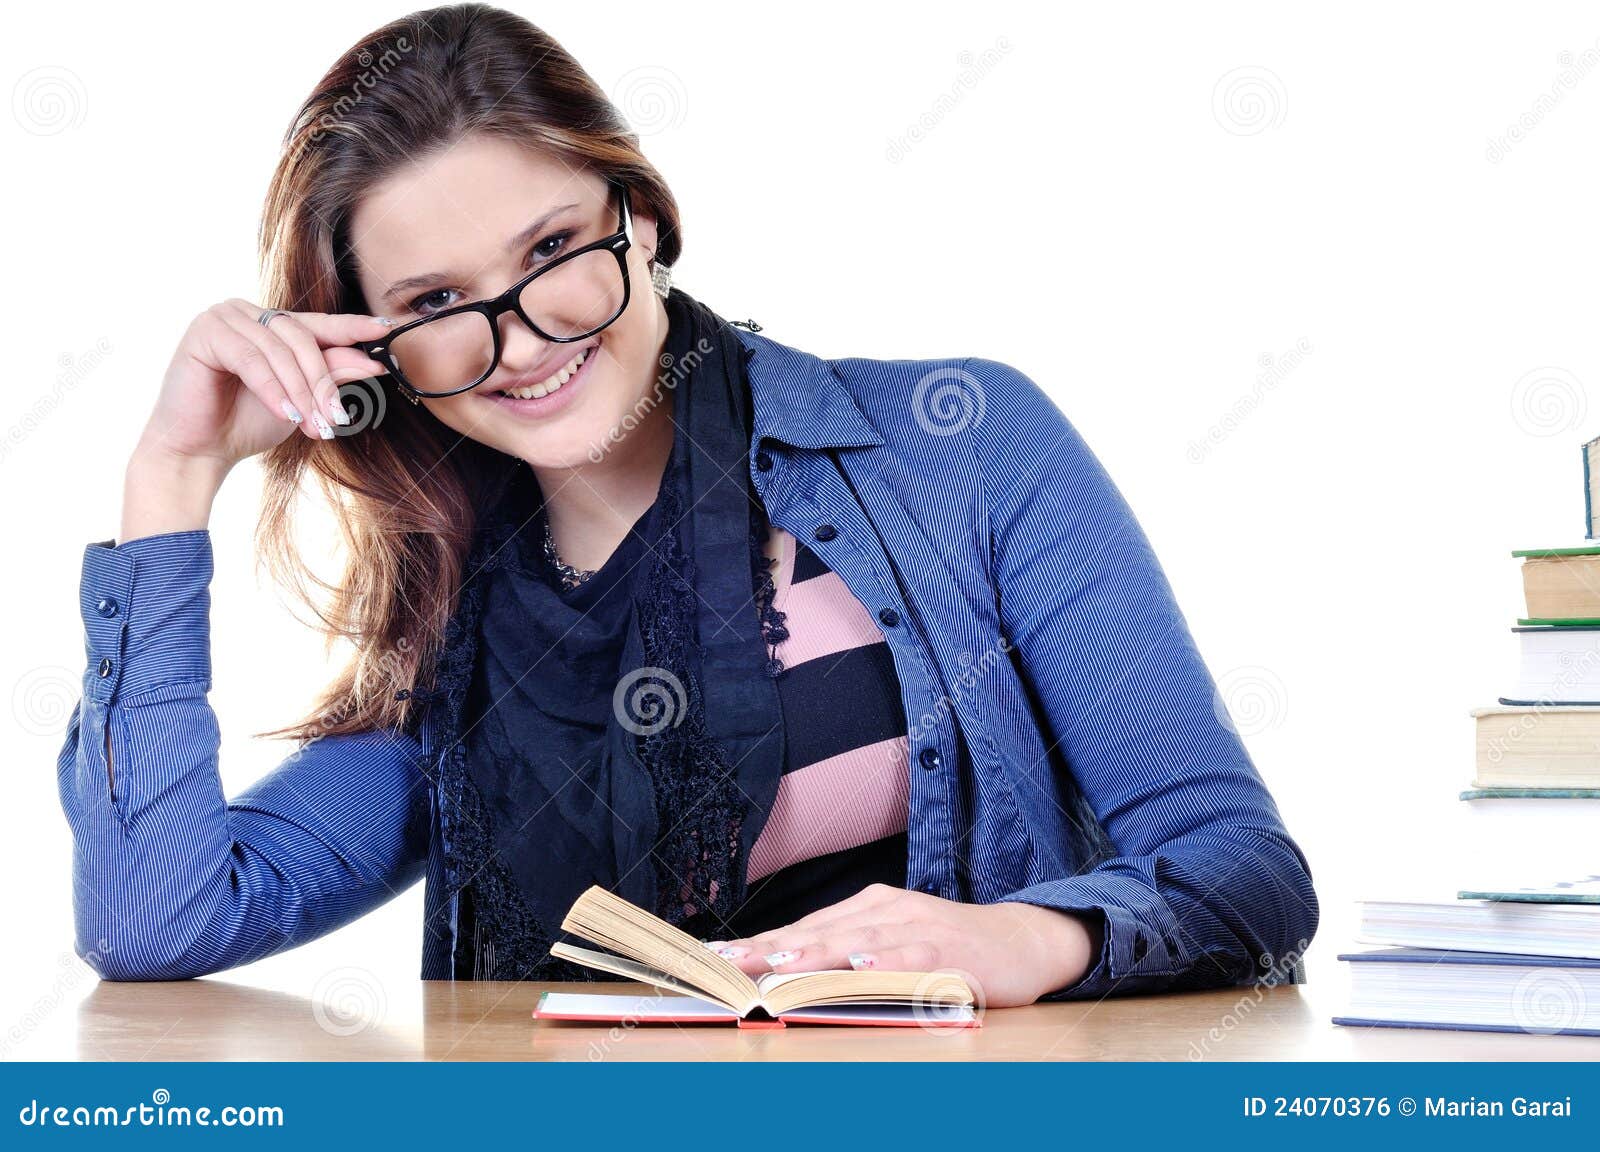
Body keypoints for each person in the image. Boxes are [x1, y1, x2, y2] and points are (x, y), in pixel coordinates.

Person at [55, 3, 1317, 1007]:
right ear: (378, 353)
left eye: (553, 251)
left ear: (643, 219)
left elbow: (1240, 869)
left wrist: (1021, 939)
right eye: (437, 306)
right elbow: (155, 920)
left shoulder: (960, 446)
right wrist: (172, 479)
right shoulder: (464, 636)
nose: (525, 339)